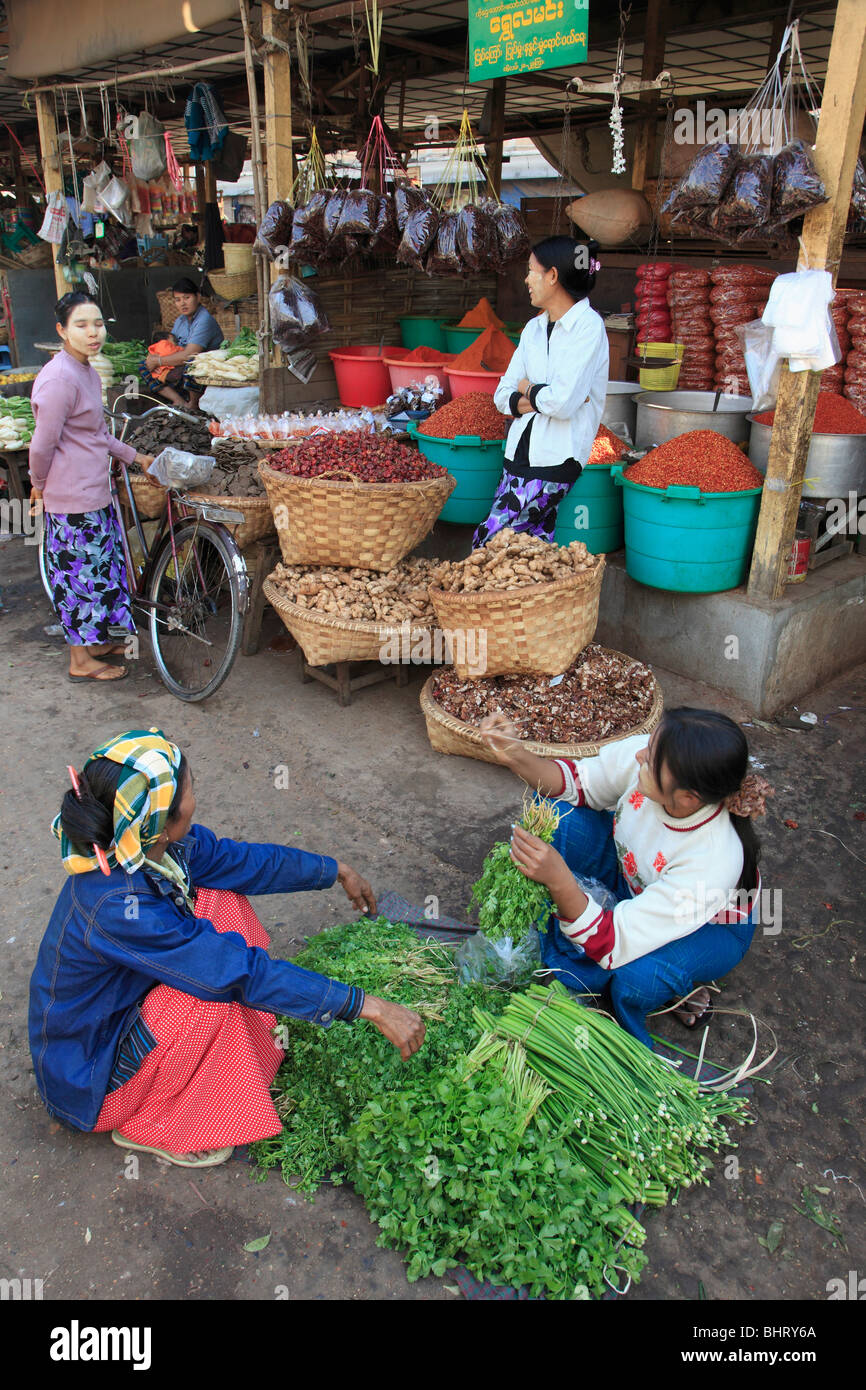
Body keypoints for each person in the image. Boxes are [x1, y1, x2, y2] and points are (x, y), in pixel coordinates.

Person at [29, 729, 425, 1168]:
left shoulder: (148, 846)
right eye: (191, 789)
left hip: (126, 1007)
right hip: (91, 1079)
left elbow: (244, 863)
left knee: (222, 897)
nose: (196, 795)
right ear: (164, 819)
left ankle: (242, 1047)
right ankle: (150, 1124)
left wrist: (335, 871)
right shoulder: (115, 904)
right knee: (211, 991)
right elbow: (236, 970)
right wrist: (367, 1005)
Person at [480, 706, 773, 1048]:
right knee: (554, 818)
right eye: (651, 744)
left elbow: (612, 941)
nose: (640, 754)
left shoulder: (712, 858)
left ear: (688, 797)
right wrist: (515, 754)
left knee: (634, 979)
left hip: (708, 929)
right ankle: (618, 948)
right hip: (633, 876)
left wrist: (559, 879)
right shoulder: (651, 759)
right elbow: (579, 785)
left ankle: (672, 984)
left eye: (651, 758)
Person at [29, 291, 155, 684]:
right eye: (81, 325)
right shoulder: (59, 378)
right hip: (70, 500)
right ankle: (80, 660)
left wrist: (137, 458)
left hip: (95, 492)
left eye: (98, 323)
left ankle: (101, 643)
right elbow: (41, 445)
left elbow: (97, 434)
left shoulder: (87, 370)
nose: (92, 332)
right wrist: (37, 487)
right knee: (78, 581)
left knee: (103, 575)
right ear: (61, 331)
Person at [473, 236, 609, 548]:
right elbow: (501, 395)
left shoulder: (588, 327)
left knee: (487, 544)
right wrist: (537, 396)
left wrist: (527, 388)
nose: (526, 279)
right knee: (532, 551)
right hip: (517, 453)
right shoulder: (533, 329)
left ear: (553, 275)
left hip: (556, 458)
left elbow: (561, 404)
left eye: (532, 271)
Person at [139, 278, 222, 410]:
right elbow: (170, 347)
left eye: (187, 298)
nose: (182, 303)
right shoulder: (180, 320)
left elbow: (189, 355)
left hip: (203, 368)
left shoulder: (204, 320)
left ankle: (193, 406)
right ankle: (179, 401)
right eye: (178, 300)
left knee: (193, 365)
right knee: (144, 365)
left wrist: (159, 361)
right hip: (180, 365)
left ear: (198, 297)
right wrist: (155, 358)